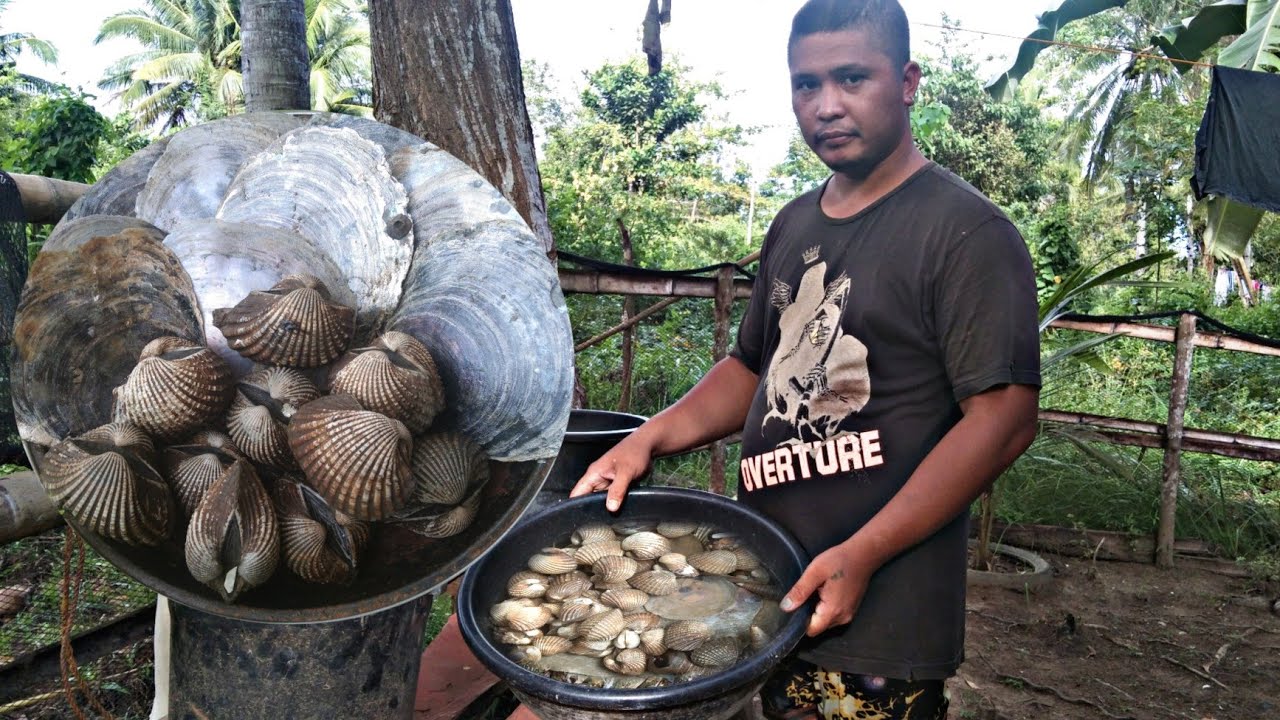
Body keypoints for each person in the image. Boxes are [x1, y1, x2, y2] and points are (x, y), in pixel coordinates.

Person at [570, 1, 1041, 717]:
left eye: (852, 78)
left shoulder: (965, 232)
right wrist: (645, 440)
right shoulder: (795, 222)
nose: (826, 106)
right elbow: (751, 370)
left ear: (908, 82)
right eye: (806, 85)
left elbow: (1003, 419)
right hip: (766, 585)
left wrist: (866, 552)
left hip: (876, 613)